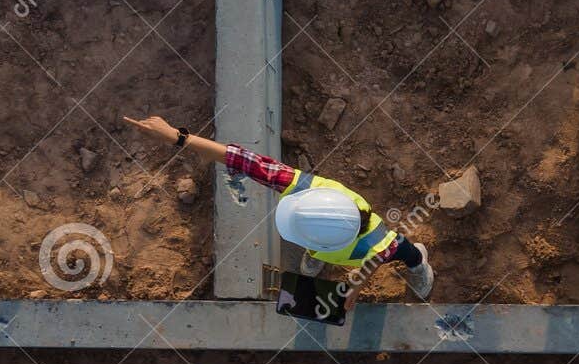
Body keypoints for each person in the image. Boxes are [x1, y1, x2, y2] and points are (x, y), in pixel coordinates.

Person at [123, 115, 434, 301]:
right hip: (333, 245)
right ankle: (317, 256)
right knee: (318, 254)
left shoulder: (378, 247)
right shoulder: (306, 189)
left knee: (407, 253)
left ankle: (420, 265)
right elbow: (241, 159)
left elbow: (369, 266)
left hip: (361, 250)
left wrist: (354, 289)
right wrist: (177, 137)